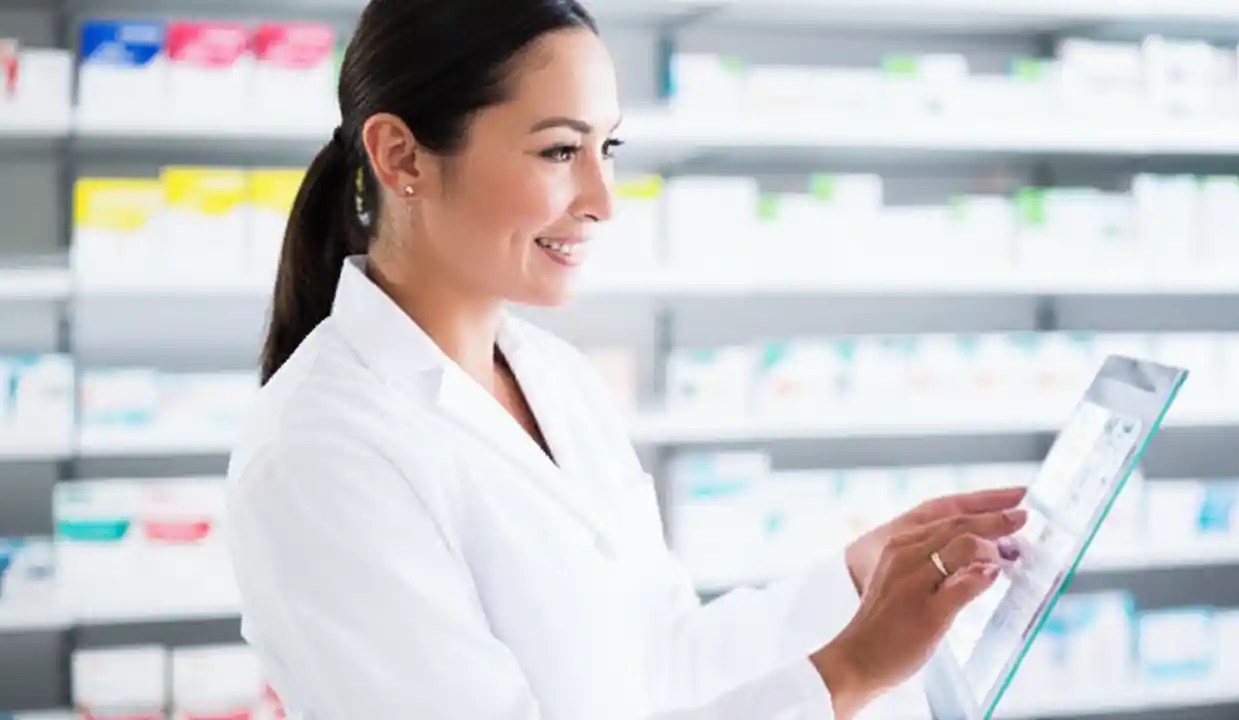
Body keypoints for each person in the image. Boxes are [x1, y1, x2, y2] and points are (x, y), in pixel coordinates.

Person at [225, 0, 1029, 717]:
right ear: (401, 157)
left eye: (607, 147)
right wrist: (845, 675)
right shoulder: (320, 449)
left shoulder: (554, 379)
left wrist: (854, 583)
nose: (602, 200)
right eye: (557, 152)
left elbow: (660, 662)